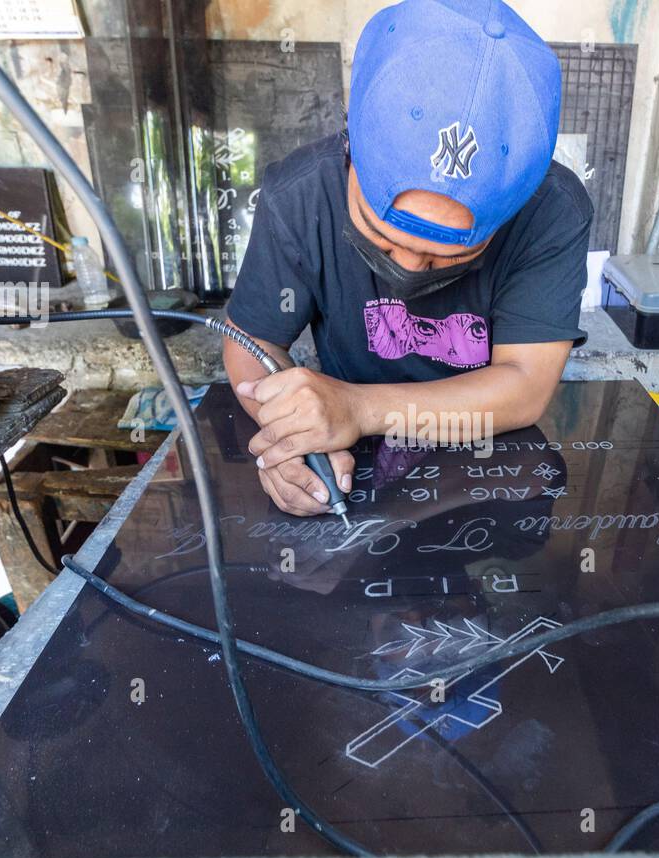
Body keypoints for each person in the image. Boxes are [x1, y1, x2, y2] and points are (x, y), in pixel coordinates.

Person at [223, 0, 592, 517]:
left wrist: (358, 408)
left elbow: (525, 387)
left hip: (491, 462)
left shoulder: (551, 209)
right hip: (352, 462)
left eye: (448, 258)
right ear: (350, 147)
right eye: (381, 234)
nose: (410, 269)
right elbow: (252, 343)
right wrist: (291, 436)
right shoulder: (300, 196)